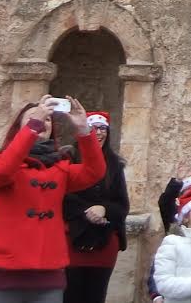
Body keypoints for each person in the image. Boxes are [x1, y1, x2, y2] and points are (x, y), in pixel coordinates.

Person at [0, 95, 105, 303]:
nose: (43, 121)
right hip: (2, 275)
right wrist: (34, 126)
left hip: (47, 276)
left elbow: (94, 171)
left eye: (48, 119)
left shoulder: (60, 169)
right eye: (33, 117)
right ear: (20, 127)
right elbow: (2, 172)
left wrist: (83, 130)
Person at [64, 111, 130, 303]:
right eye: (94, 128)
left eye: (103, 129)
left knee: (96, 296)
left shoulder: (115, 165)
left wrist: (104, 209)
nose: (99, 133)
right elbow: (62, 198)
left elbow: (122, 205)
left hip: (104, 242)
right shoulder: (69, 158)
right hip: (73, 239)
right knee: (70, 296)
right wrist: (86, 212)